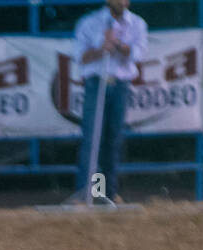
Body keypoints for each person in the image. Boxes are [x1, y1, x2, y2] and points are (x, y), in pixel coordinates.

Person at [73, 0, 148, 205]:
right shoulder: (90, 23)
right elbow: (80, 56)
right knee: (92, 138)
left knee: (112, 140)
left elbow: (138, 54)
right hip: (96, 83)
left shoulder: (137, 24)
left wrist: (118, 46)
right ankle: (86, 192)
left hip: (120, 83)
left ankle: (107, 193)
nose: (122, 2)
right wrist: (101, 48)